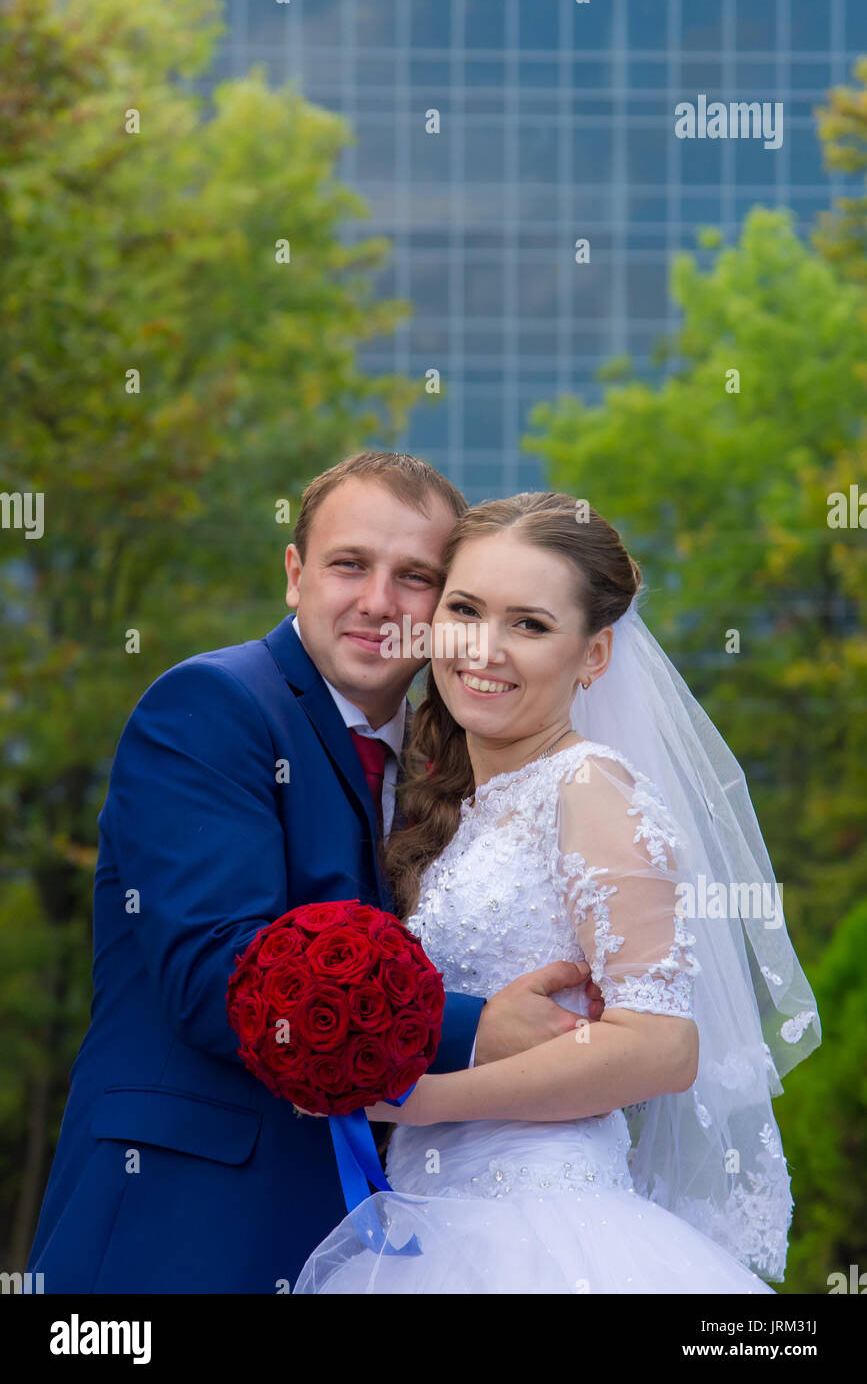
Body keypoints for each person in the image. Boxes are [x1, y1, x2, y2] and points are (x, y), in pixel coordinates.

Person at [26, 454, 602, 1293]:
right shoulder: (211, 707)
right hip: (189, 1222)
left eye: (415, 577)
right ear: (295, 573)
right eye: (348, 564)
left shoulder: (458, 763)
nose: (378, 602)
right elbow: (217, 972)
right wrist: (475, 1033)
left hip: (391, 1231)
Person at [293, 492, 821, 1294]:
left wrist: (417, 1101)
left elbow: (661, 1046)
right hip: (425, 1217)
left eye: (530, 625)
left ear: (594, 655)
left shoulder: (590, 788)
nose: (485, 649)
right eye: (465, 610)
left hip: (541, 1231)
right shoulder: (459, 805)